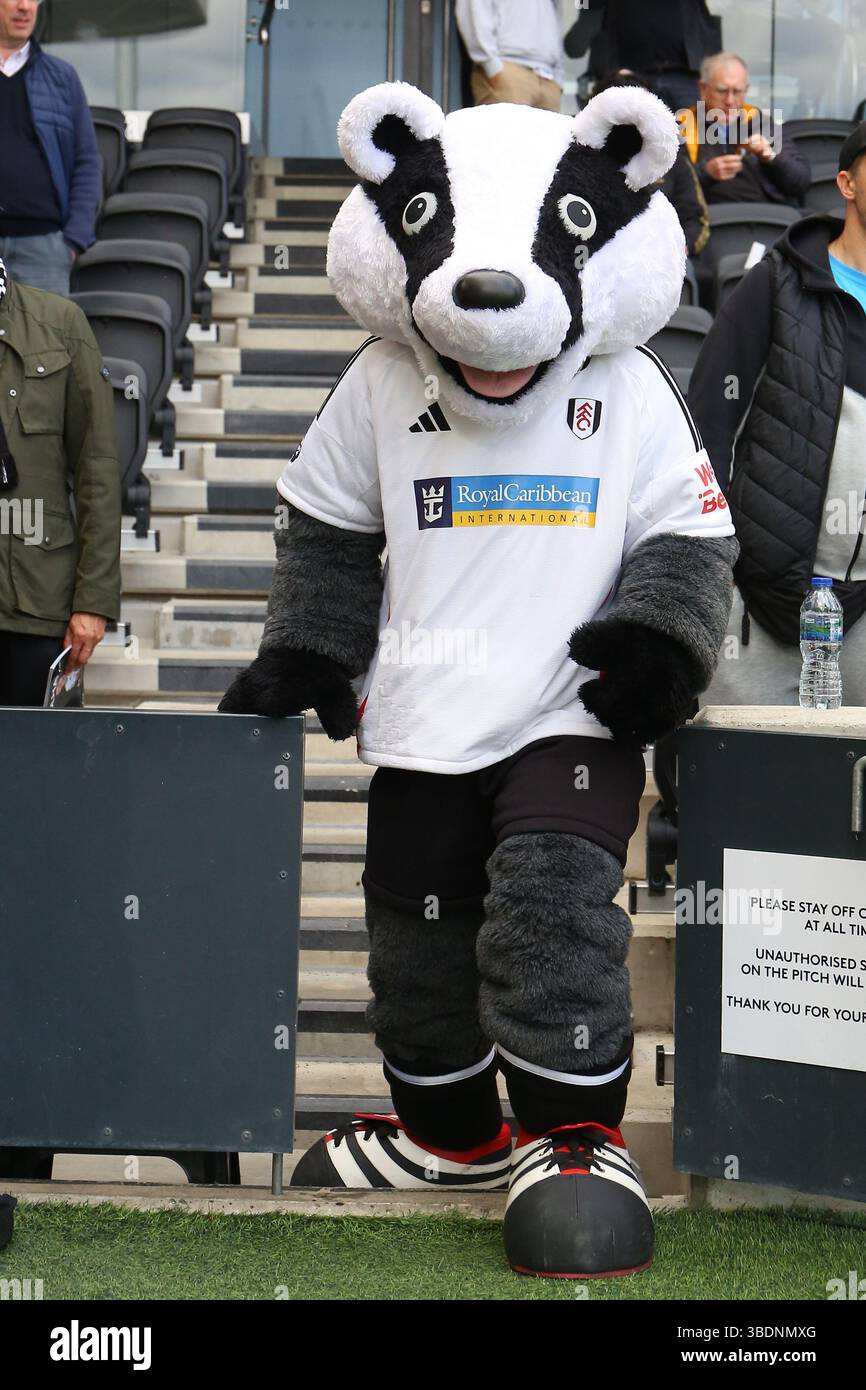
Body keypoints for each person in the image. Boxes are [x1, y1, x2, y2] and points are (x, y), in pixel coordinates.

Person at [688, 124, 866, 707]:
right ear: (845, 182)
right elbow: (712, 416)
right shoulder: (779, 282)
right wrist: (721, 553)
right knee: (744, 779)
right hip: (761, 595)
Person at [0, 255, 121, 704]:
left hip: (37, 599)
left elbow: (98, 468)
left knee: (36, 765)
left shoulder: (60, 324)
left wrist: (93, 600)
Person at [0, 0, 101, 295]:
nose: (25, 7)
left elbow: (87, 162)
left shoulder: (62, 78)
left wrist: (72, 241)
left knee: (43, 342)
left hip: (44, 251)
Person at [593, 70, 709, 256]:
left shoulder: (669, 158)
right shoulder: (579, 158)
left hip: (660, 257)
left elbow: (695, 217)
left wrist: (681, 248)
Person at [680, 52, 810, 209]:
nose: (730, 101)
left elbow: (801, 183)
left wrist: (771, 157)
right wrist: (706, 173)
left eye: (737, 92)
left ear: (746, 90)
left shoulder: (761, 122)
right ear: (703, 89)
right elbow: (668, 188)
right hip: (714, 222)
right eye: (721, 91)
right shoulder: (682, 126)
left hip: (771, 218)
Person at [566, 0, 722, 114]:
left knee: (693, 147)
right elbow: (586, 17)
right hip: (629, 78)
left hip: (685, 77)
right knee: (629, 149)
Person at [455, 0, 563, 112]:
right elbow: (473, 10)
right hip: (508, 69)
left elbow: (557, 22)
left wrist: (558, 77)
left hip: (548, 77)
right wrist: (491, 66)